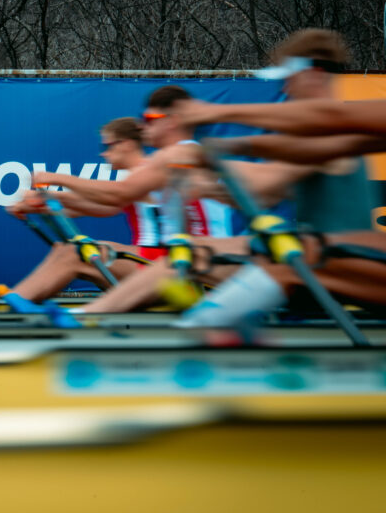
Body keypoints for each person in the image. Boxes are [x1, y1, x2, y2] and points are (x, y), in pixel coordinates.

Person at [81, 29, 377, 314]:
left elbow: (265, 182)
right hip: (314, 257)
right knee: (190, 251)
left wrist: (206, 156)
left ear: (314, 72)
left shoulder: (326, 130)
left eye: (289, 77)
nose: (285, 87)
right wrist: (210, 187)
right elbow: (269, 194)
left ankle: (90, 319)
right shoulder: (323, 132)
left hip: (333, 264)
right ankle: (96, 315)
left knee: (190, 253)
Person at [4, 117, 161, 302]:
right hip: (148, 258)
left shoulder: (147, 173)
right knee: (64, 249)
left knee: (75, 253)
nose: (103, 154)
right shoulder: (138, 177)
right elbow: (98, 207)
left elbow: (111, 198)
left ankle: (13, 306)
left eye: (107, 146)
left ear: (126, 144)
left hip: (158, 261)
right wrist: (40, 205)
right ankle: (18, 303)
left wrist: (56, 179)